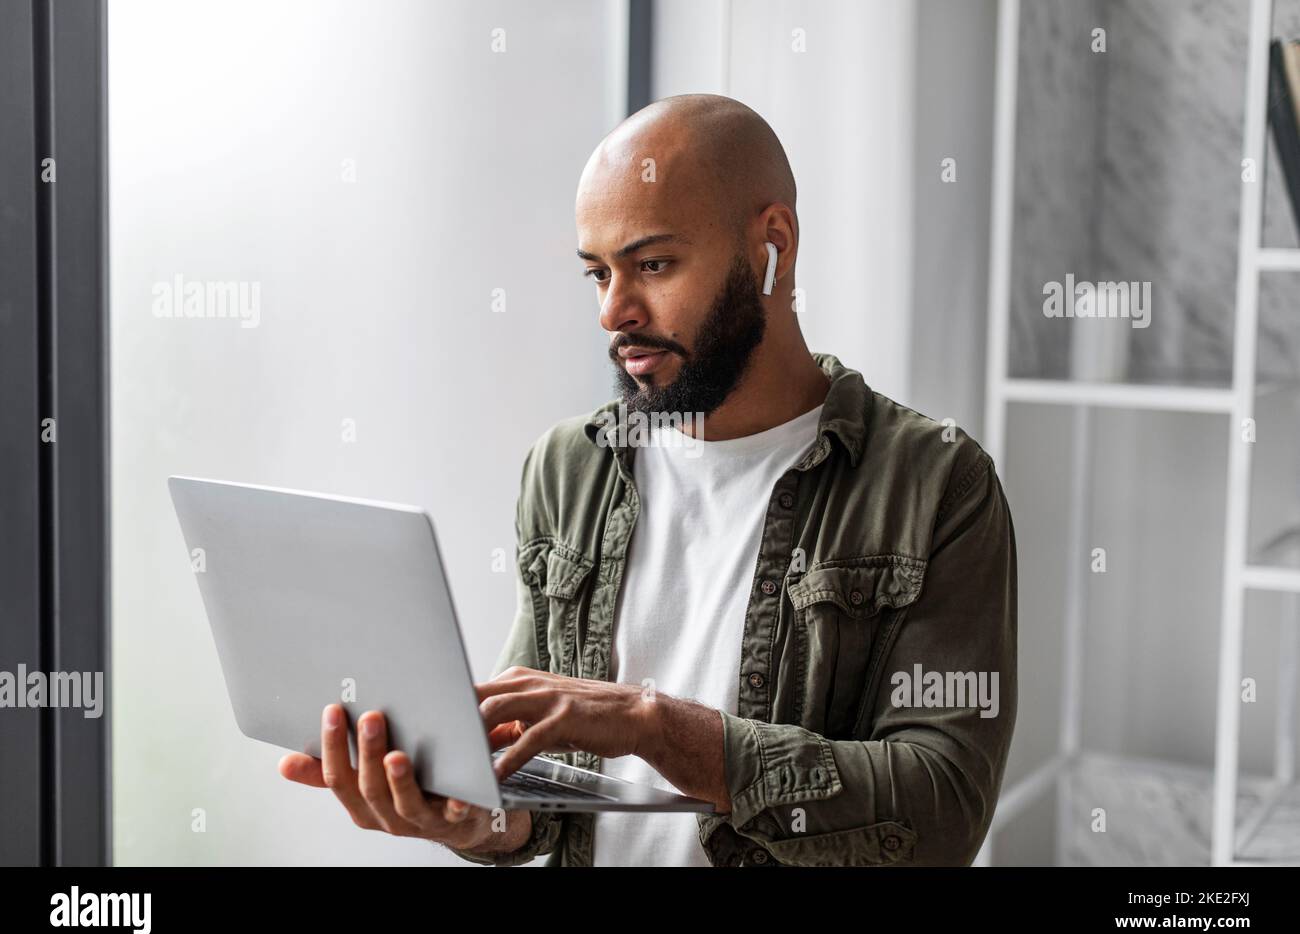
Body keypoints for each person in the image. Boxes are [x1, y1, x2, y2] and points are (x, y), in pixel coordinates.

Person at [280, 93, 1018, 867]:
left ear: (773, 243)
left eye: (652, 264)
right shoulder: (569, 468)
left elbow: (944, 810)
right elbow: (541, 796)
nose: (613, 311)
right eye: (598, 274)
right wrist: (474, 819)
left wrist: (655, 726)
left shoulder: (935, 483)